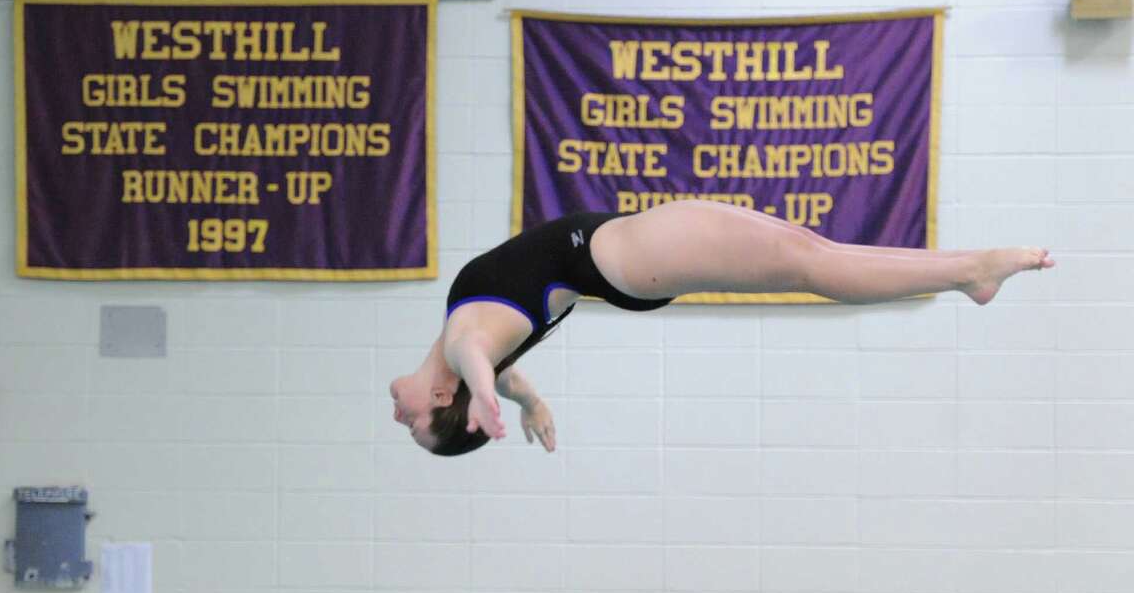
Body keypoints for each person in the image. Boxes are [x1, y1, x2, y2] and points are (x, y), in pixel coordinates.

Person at [388, 199, 1055, 455]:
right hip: (629, 255)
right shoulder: (463, 343)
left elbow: (496, 366)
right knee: (811, 263)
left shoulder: (475, 340)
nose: (400, 417)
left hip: (626, 262)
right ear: (444, 399)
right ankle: (971, 271)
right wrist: (484, 392)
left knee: (808, 252)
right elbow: (476, 356)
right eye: (417, 425)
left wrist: (524, 400)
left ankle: (967, 272)